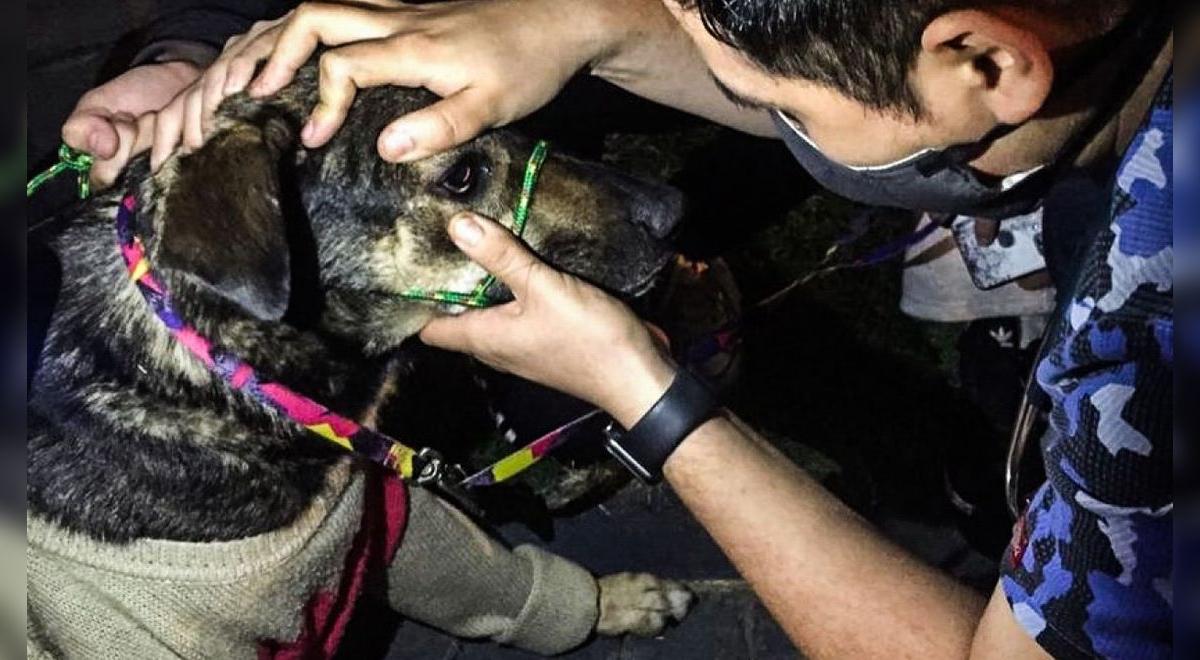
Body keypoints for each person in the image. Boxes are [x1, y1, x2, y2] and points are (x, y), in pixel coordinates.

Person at [61, 0, 1173, 657]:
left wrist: (651, 400)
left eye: (779, 108)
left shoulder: (1152, 351)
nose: (767, 128)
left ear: (989, 59)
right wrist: (587, 24)